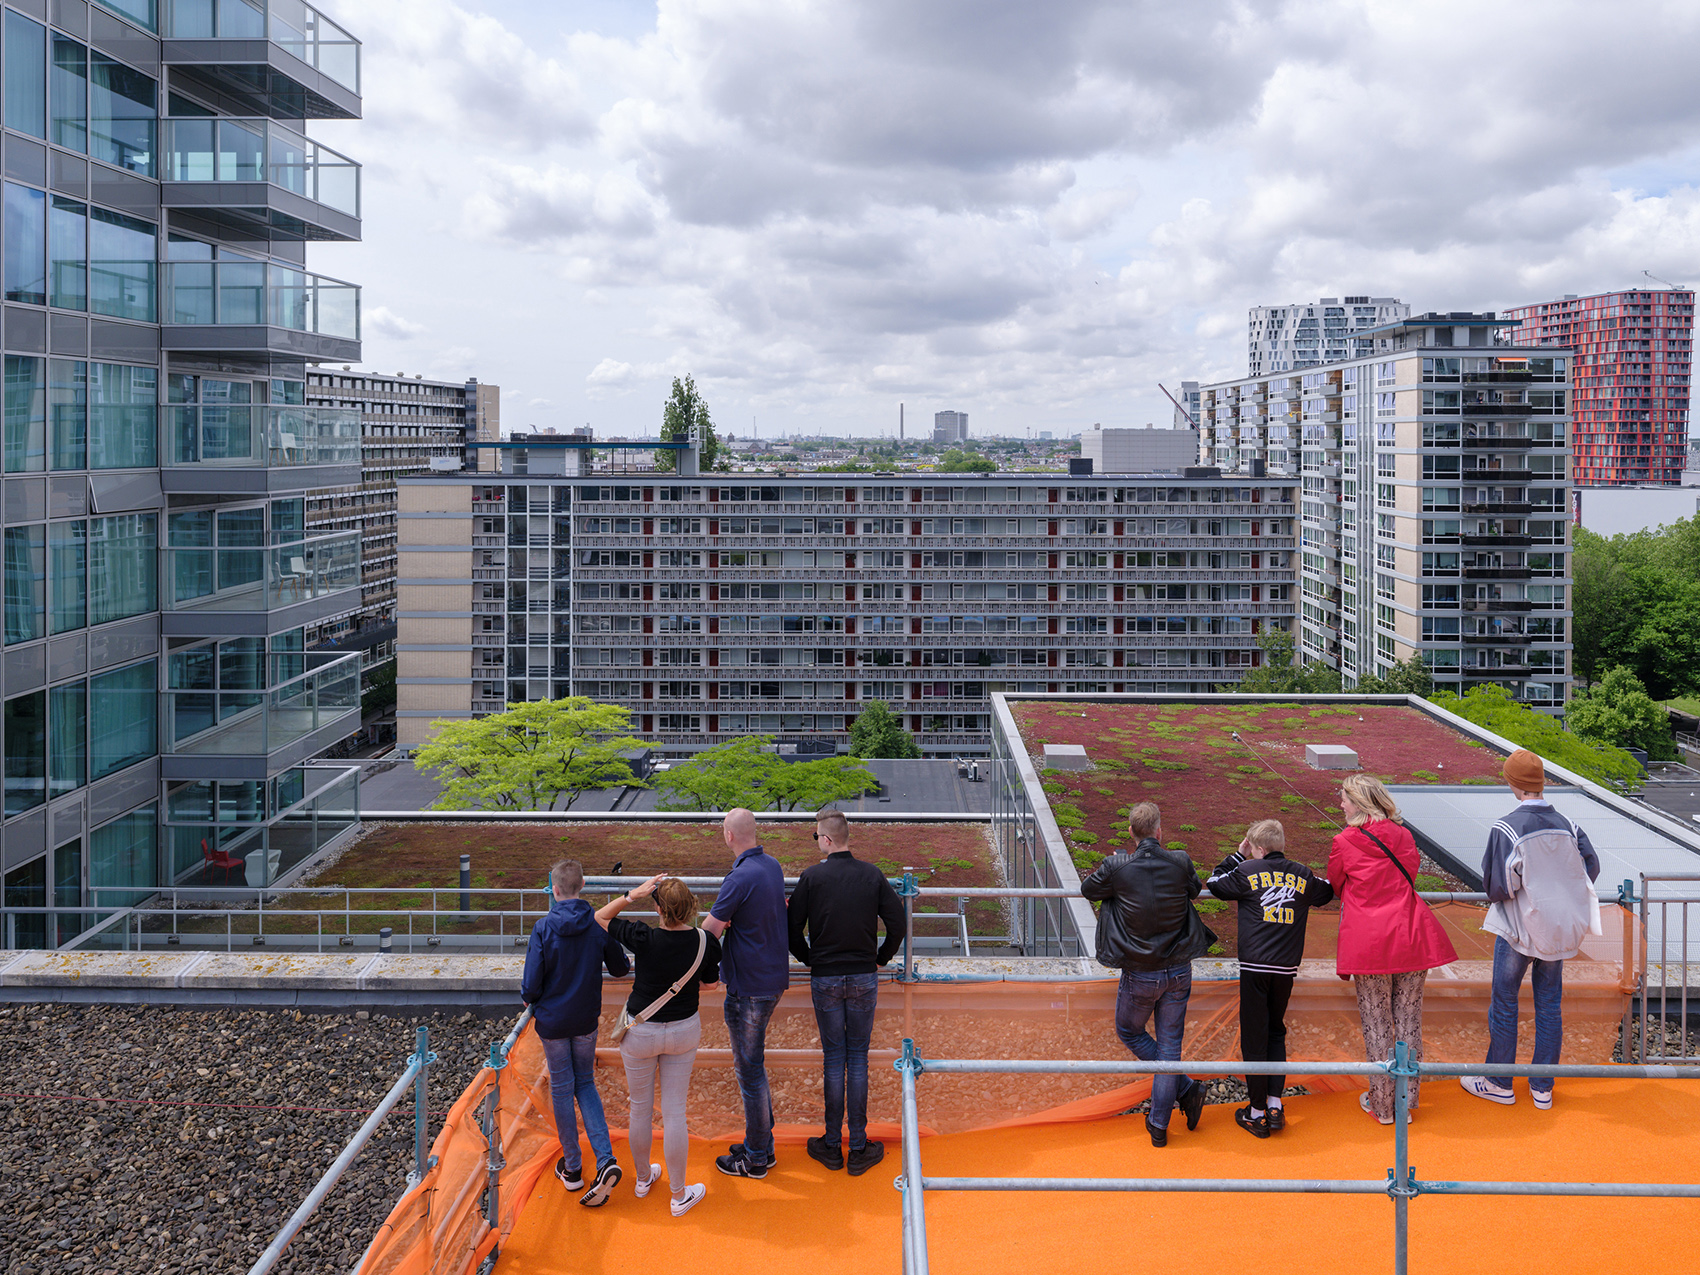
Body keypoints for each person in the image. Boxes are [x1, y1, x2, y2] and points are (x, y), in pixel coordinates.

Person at [1460, 749, 1601, 1110]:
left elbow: (1498, 887)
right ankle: (1542, 1088)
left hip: (1519, 929)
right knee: (1549, 1005)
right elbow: (1590, 867)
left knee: (1505, 1003)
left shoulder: (1507, 827)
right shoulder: (1569, 825)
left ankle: (1498, 1081)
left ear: (1513, 783)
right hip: (1558, 932)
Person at [1081, 801, 1216, 1147]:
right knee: (1170, 1046)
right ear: (1159, 831)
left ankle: (1184, 1089)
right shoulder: (1180, 860)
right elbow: (1194, 890)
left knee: (1129, 1029)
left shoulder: (1116, 866)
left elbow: (1089, 891)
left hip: (1140, 972)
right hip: (1179, 970)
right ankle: (1161, 1120)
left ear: (1131, 833)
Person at [1329, 774, 1457, 1125]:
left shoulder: (1344, 841)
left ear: (1359, 802)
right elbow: (1410, 874)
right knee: (1408, 1019)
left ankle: (1383, 1105)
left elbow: (1338, 883)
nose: (1341, 804)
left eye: (1345, 798)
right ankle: (1406, 1099)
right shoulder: (1403, 835)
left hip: (1371, 941)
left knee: (1377, 1021)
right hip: (1412, 934)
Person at [597, 874, 723, 1216]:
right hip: (683, 1030)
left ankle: (642, 1180)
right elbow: (711, 985)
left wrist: (631, 894)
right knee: (674, 1112)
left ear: (658, 908)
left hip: (640, 1031)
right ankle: (679, 1195)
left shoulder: (643, 936)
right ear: (691, 906)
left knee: (640, 1107)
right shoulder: (705, 941)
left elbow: (601, 917)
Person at [788, 807, 905, 1176]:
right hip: (862, 976)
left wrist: (810, 959)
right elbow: (898, 921)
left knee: (833, 1058)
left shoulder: (812, 877)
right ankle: (858, 1147)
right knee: (858, 1059)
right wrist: (881, 958)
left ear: (825, 839)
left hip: (825, 977)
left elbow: (792, 928)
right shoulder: (871, 875)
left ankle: (829, 1145)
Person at [1206, 818, 1334, 1137]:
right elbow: (1327, 892)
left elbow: (1215, 883)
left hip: (1254, 968)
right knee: (1276, 1032)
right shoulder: (1302, 873)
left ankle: (1257, 1111)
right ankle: (1275, 1105)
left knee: (1254, 1037)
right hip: (1286, 968)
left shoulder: (1248, 870)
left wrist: (1238, 855)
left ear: (1258, 849)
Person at [519, 859, 630, 1205]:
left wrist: (533, 999)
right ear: (583, 884)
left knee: (562, 1089)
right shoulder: (596, 925)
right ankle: (605, 1158)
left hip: (552, 1023)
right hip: (585, 1021)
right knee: (586, 1084)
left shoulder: (542, 928)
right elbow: (620, 967)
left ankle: (572, 1168)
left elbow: (531, 985)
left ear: (554, 889)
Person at [703, 807, 790, 1178]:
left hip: (748, 987)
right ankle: (762, 1147)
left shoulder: (738, 879)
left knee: (749, 1072)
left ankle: (755, 1157)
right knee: (755, 1069)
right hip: (771, 980)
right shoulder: (772, 867)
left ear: (728, 836)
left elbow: (709, 931)